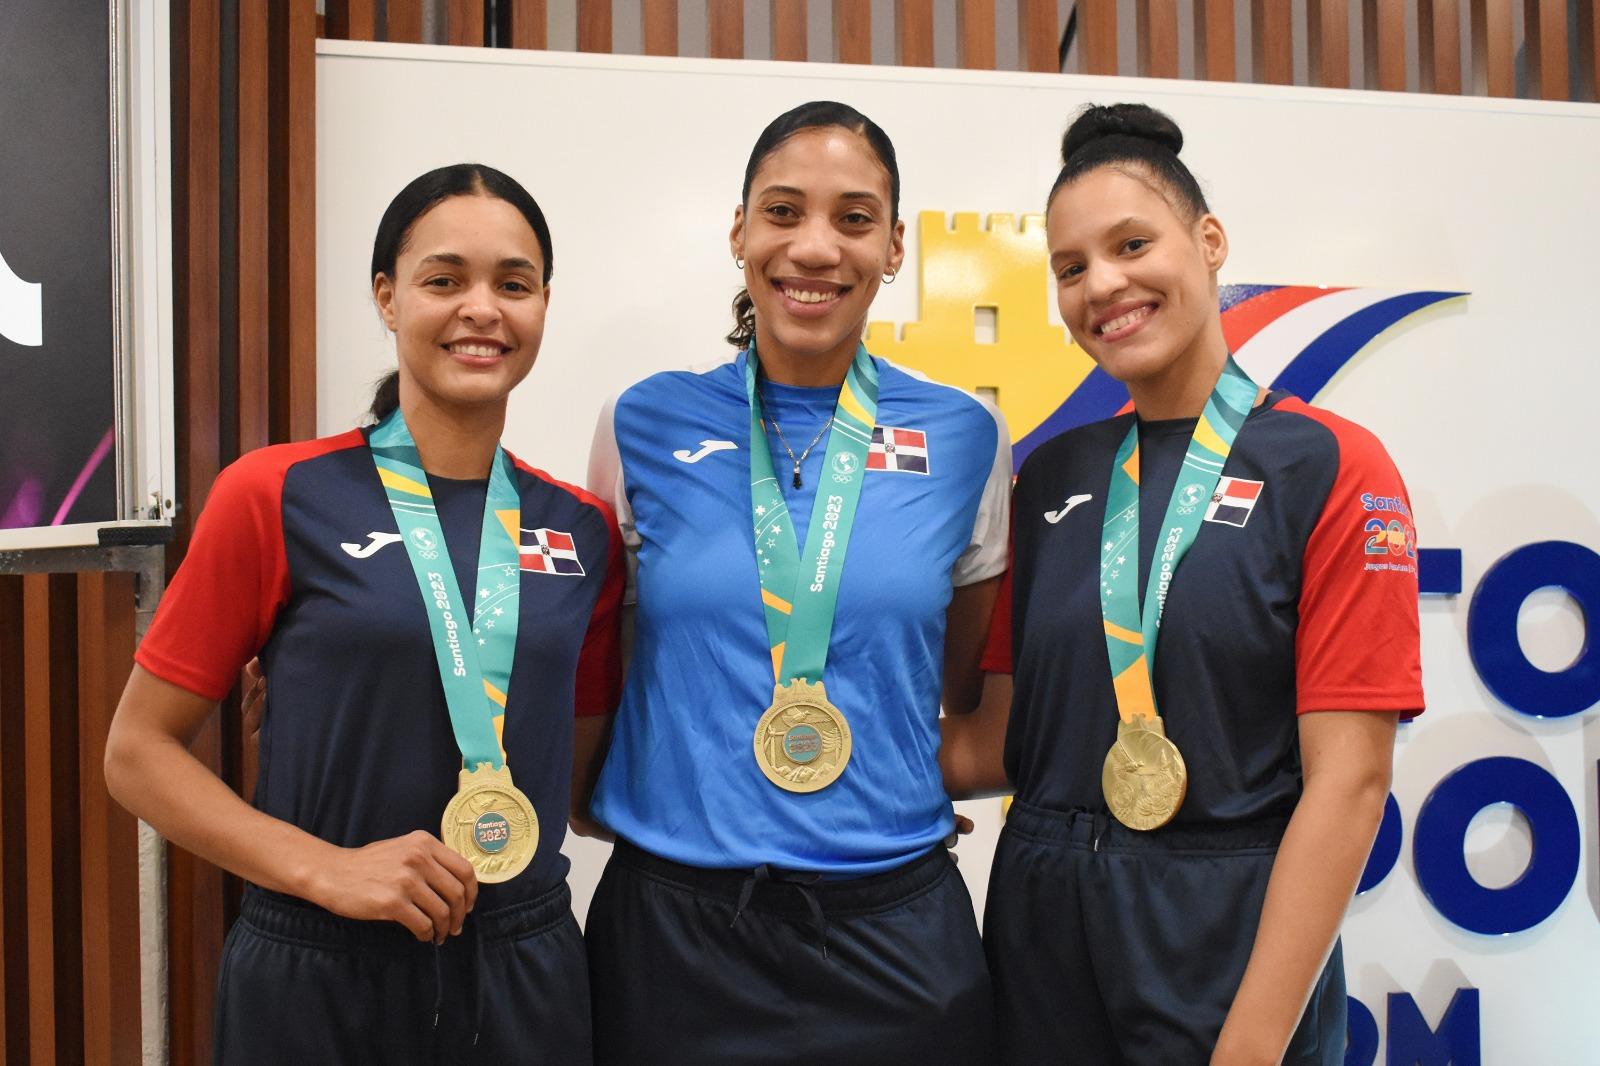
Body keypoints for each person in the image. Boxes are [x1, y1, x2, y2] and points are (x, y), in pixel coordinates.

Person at [104, 163, 622, 1064]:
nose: (481, 309)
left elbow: (583, 790)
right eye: (444, 280)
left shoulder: (581, 529)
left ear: (544, 303)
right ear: (387, 297)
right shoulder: (278, 492)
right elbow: (137, 754)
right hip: (319, 964)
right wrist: (327, 868)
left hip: (522, 966)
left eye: (514, 284)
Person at [956, 103, 1423, 1065]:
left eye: (1132, 245)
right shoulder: (1050, 476)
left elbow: (1351, 784)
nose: (1103, 285)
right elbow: (1001, 740)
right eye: (1071, 268)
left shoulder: (1328, 465)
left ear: (1209, 243)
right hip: (1040, 933)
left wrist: (1251, 1045)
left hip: (1223, 929)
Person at [578, 100, 1011, 1065]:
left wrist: (880, 782)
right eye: (783, 212)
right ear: (739, 231)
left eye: (854, 219)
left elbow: (954, 687)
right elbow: (618, 664)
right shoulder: (641, 419)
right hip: (675, 933)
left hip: (892, 933)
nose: (815, 247)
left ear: (893, 248)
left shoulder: (966, 435)